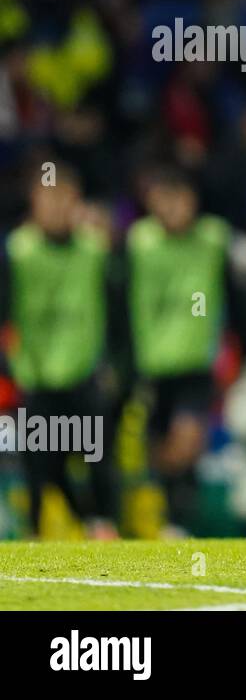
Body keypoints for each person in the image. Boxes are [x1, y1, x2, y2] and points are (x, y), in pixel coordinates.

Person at [124, 165, 246, 535]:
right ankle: (171, 515)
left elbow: (241, 290)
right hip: (152, 364)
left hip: (197, 361)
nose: (173, 209)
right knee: (160, 449)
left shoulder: (214, 238)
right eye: (164, 200)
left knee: (187, 440)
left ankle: (178, 517)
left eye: (179, 199)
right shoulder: (137, 242)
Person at [0, 165, 119, 538]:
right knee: (42, 464)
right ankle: (35, 533)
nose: (56, 207)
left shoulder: (96, 249)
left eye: (64, 198)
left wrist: (115, 363)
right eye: (47, 198)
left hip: (85, 371)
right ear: (33, 202)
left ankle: (104, 526)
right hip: (36, 376)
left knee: (98, 457)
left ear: (77, 202)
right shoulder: (17, 252)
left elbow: (118, 307)